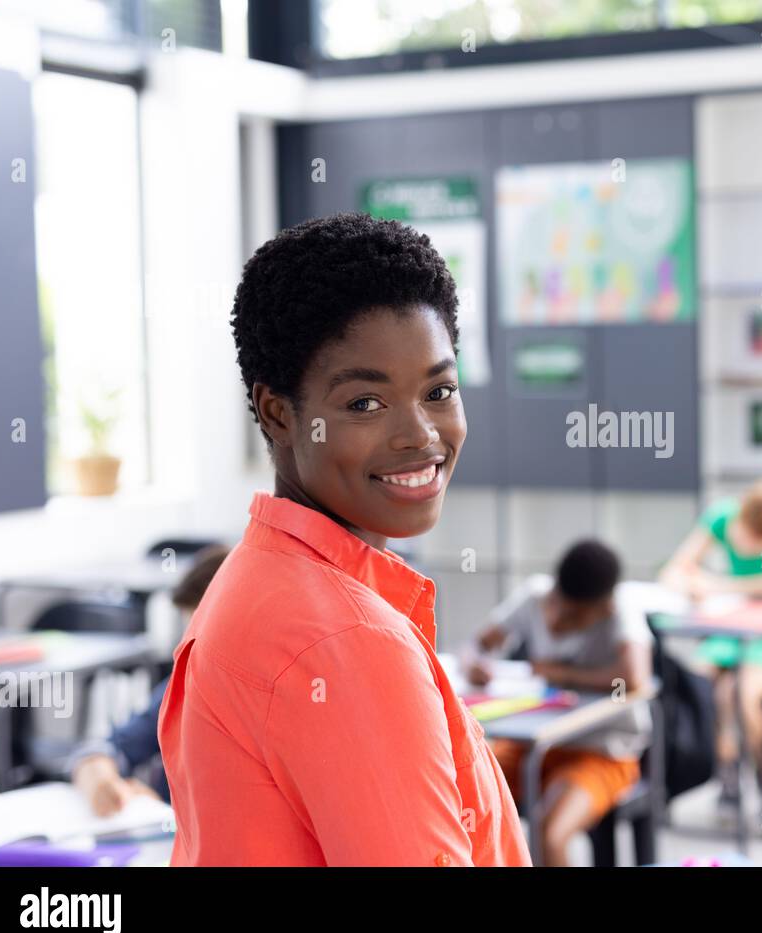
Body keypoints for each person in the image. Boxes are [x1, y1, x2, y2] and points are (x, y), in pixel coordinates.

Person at [158, 213, 530, 866]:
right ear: (278, 412)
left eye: (439, 389)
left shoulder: (253, 578)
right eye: (365, 403)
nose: (420, 434)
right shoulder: (348, 640)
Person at [466, 540, 652, 866]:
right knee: (463, 793)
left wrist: (560, 673)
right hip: (533, 745)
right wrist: (476, 664)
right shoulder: (536, 598)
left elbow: (635, 677)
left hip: (601, 752)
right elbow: (477, 645)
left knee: (549, 832)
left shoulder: (620, 610)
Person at [659, 476, 762, 812]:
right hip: (731, 635)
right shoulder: (723, 517)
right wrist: (688, 583)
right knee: (695, 683)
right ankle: (723, 769)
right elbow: (674, 570)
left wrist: (718, 585)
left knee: (739, 691)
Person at [69, 546, 228, 815]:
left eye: (203, 634)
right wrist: (101, 778)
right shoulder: (183, 687)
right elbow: (110, 747)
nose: (188, 648)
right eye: (188, 631)